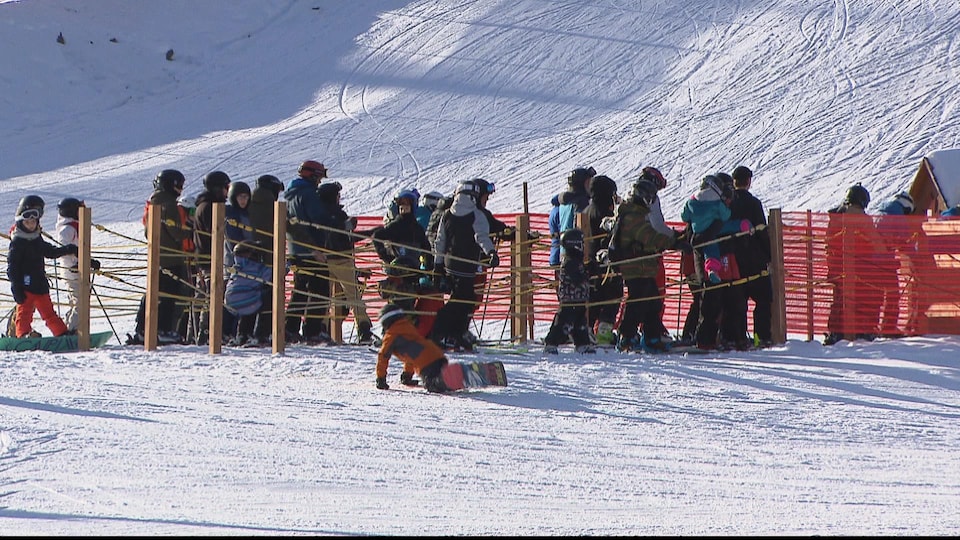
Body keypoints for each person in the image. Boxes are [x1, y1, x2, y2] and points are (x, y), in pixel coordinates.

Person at [602, 179, 690, 353]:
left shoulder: (634, 213)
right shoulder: (633, 216)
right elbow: (650, 237)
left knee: (652, 302)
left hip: (641, 266)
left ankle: (651, 337)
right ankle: (627, 337)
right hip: (635, 267)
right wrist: (675, 243)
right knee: (637, 303)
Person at [429, 179, 500, 351]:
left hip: (449, 263)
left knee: (463, 299)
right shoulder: (476, 215)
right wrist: (491, 252)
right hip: (466, 264)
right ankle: (437, 333)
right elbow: (481, 237)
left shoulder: (447, 215)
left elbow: (440, 241)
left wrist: (437, 266)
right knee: (462, 300)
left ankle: (455, 334)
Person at [130, 169, 195, 345]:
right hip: (171, 257)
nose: (181, 190)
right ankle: (163, 329)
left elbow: (147, 231)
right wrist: (190, 231)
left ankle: (143, 328)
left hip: (157, 255)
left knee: (154, 292)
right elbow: (175, 232)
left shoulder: (152, 203)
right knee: (169, 295)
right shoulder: (169, 204)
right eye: (178, 185)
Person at [824, 183, 885, 345]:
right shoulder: (862, 219)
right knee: (865, 299)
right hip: (861, 269)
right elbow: (876, 244)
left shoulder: (835, 218)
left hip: (836, 268)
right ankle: (862, 330)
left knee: (839, 300)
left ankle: (836, 331)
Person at [316, 180, 376, 345]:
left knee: (323, 297)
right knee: (353, 296)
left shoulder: (317, 214)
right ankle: (364, 329)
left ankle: (321, 328)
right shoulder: (337, 215)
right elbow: (346, 238)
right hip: (342, 259)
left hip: (323, 260)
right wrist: (369, 233)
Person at [7, 199, 77, 338]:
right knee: (25, 312)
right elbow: (12, 267)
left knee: (49, 312)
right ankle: (23, 334)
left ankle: (61, 333)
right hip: (25, 286)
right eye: (27, 222)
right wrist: (16, 286)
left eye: (33, 222)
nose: (31, 225)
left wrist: (67, 249)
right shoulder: (17, 243)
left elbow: (49, 251)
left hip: (40, 284)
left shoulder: (36, 239)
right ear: (21, 223)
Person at [284, 160, 336, 343]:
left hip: (295, 249)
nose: (320, 182)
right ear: (313, 176)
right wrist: (334, 220)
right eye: (319, 177)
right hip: (312, 249)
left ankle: (290, 328)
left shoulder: (291, 195)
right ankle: (312, 330)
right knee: (319, 289)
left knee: (300, 290)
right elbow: (318, 219)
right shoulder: (308, 194)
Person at [728, 165, 773, 348]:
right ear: (749, 181)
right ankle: (760, 337)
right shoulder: (754, 203)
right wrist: (769, 254)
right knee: (763, 300)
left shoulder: (728, 203)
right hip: (755, 259)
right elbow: (761, 230)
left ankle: (739, 338)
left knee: (738, 301)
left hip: (734, 259)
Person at [371, 188, 433, 313]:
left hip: (413, 274)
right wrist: (386, 257)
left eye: (406, 204)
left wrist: (427, 268)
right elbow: (377, 236)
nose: (403, 207)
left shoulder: (416, 228)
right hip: (397, 274)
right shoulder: (396, 224)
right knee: (399, 306)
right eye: (401, 204)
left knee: (409, 307)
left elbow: (427, 249)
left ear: (413, 206)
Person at [190, 170, 232, 345]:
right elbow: (214, 233)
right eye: (225, 188)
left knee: (207, 294)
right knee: (212, 294)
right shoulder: (210, 207)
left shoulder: (207, 204)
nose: (227, 192)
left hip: (207, 257)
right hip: (210, 257)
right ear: (216, 188)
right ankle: (206, 332)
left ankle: (199, 332)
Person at [375, 303, 450, 393]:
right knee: (442, 378)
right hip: (437, 356)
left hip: (427, 364)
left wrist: (380, 378)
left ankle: (442, 382)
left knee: (434, 386)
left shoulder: (391, 335)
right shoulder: (409, 328)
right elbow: (411, 352)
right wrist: (407, 375)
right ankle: (452, 378)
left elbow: (383, 356)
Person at [583, 174, 622, 345]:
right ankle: (604, 332)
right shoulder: (604, 213)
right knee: (613, 295)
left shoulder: (586, 210)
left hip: (590, 261)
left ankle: (589, 329)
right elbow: (609, 236)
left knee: (595, 298)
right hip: (606, 262)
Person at [542, 229, 596, 354]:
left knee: (579, 323)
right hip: (569, 299)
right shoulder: (569, 262)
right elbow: (577, 278)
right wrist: (588, 273)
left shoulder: (576, 260)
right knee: (563, 322)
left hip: (579, 299)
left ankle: (582, 343)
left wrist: (590, 268)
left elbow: (581, 272)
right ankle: (551, 343)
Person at [874, 190, 917, 338]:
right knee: (893, 294)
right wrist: (916, 255)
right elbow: (905, 242)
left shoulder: (880, 211)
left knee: (875, 296)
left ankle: (872, 327)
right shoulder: (897, 216)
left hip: (870, 261)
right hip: (884, 262)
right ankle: (888, 328)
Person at [55, 197, 101, 332]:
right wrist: (76, 264)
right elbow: (65, 251)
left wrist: (89, 261)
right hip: (72, 271)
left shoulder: (76, 226)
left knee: (78, 302)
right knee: (81, 303)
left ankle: (68, 327)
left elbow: (80, 247)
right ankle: (73, 329)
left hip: (79, 268)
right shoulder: (67, 229)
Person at [224, 240, 273, 347]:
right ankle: (261, 335)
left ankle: (242, 335)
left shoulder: (236, 267)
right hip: (247, 300)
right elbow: (272, 275)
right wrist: (288, 265)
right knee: (267, 296)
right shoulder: (256, 267)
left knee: (250, 299)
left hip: (231, 302)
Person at [247, 174, 284, 265]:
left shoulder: (248, 204)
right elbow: (286, 225)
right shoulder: (273, 206)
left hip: (249, 253)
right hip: (269, 252)